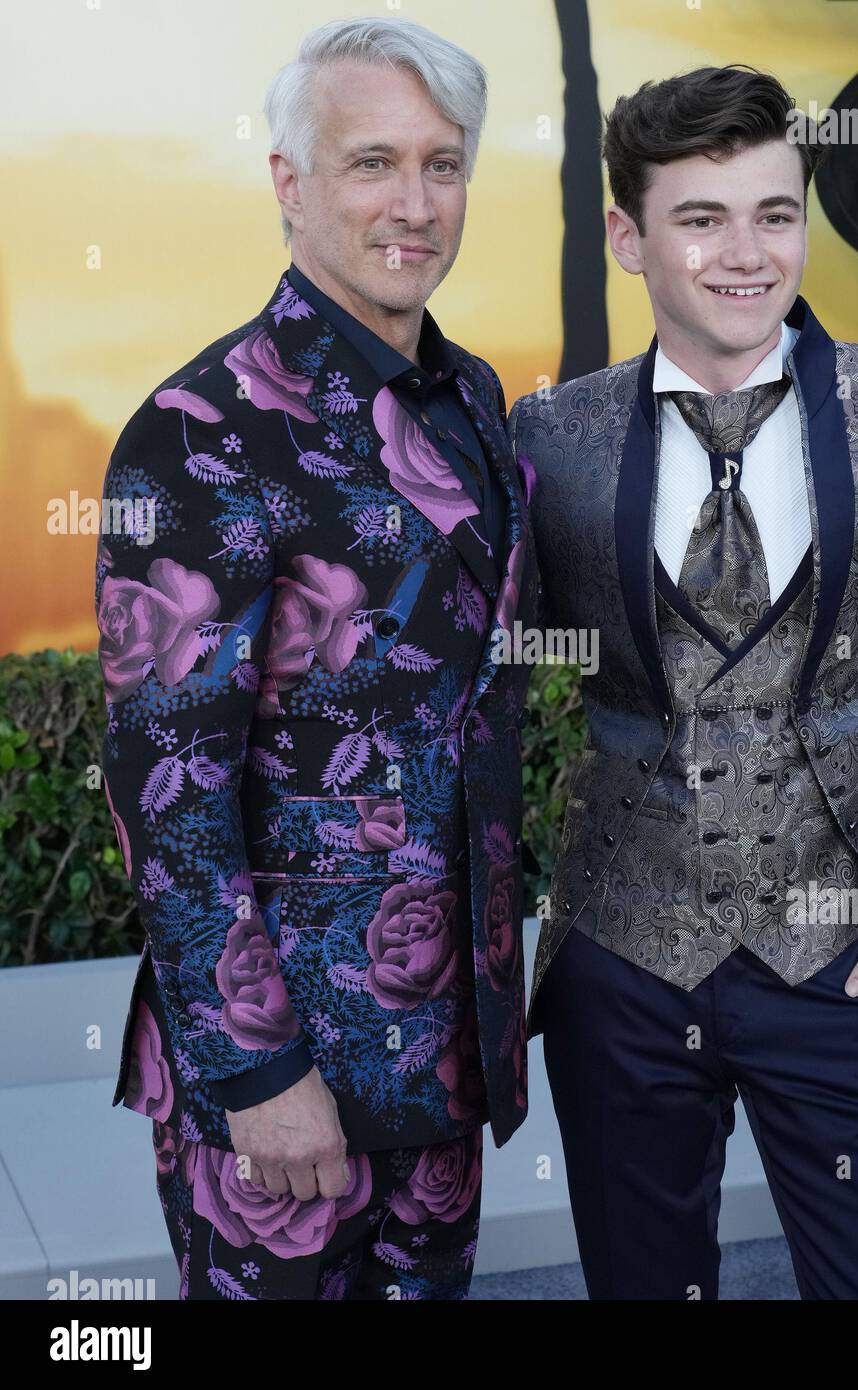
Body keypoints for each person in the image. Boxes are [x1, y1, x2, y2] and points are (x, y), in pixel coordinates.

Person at [508, 64, 858, 1300]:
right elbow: (482, 685)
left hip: (843, 958)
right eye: (701, 219)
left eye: (773, 213)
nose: (746, 254)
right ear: (629, 238)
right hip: (623, 961)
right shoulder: (550, 437)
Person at [95, 15, 539, 1301]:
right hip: (286, 1071)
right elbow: (164, 794)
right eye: (371, 164)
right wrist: (255, 1069)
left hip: (446, 1044)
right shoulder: (200, 430)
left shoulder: (471, 398)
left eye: (443, 165)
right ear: (289, 184)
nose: (416, 204)